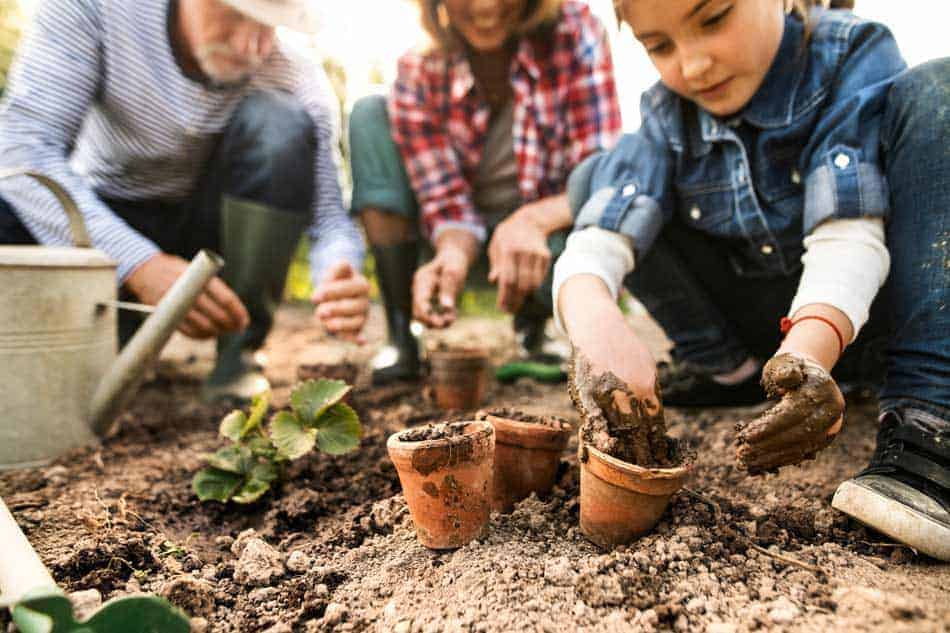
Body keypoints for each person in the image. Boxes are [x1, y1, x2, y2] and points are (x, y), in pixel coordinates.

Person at [553, 0, 949, 560]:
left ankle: (929, 418)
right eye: (659, 45)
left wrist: (809, 352)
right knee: (597, 179)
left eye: (713, 19)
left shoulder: (849, 56)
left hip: (869, 322)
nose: (692, 66)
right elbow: (597, 240)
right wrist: (596, 323)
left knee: (940, 89)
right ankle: (732, 373)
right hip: (770, 337)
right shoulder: (668, 112)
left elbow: (848, 235)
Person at [0, 0, 369, 402]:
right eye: (234, 14)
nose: (250, 45)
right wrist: (139, 264)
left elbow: (330, 219)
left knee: (280, 123)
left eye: (270, 25)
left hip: (211, 233)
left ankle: (238, 355)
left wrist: (339, 270)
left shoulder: (294, 74)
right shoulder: (94, 9)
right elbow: (21, 147)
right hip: (104, 223)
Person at [347, 0, 622, 384]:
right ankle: (400, 331)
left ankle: (535, 324)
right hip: (459, 241)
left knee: (602, 233)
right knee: (369, 113)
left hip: (547, 240)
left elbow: (599, 175)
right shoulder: (418, 69)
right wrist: (453, 253)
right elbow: (445, 202)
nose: (486, 6)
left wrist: (531, 221)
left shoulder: (575, 30)